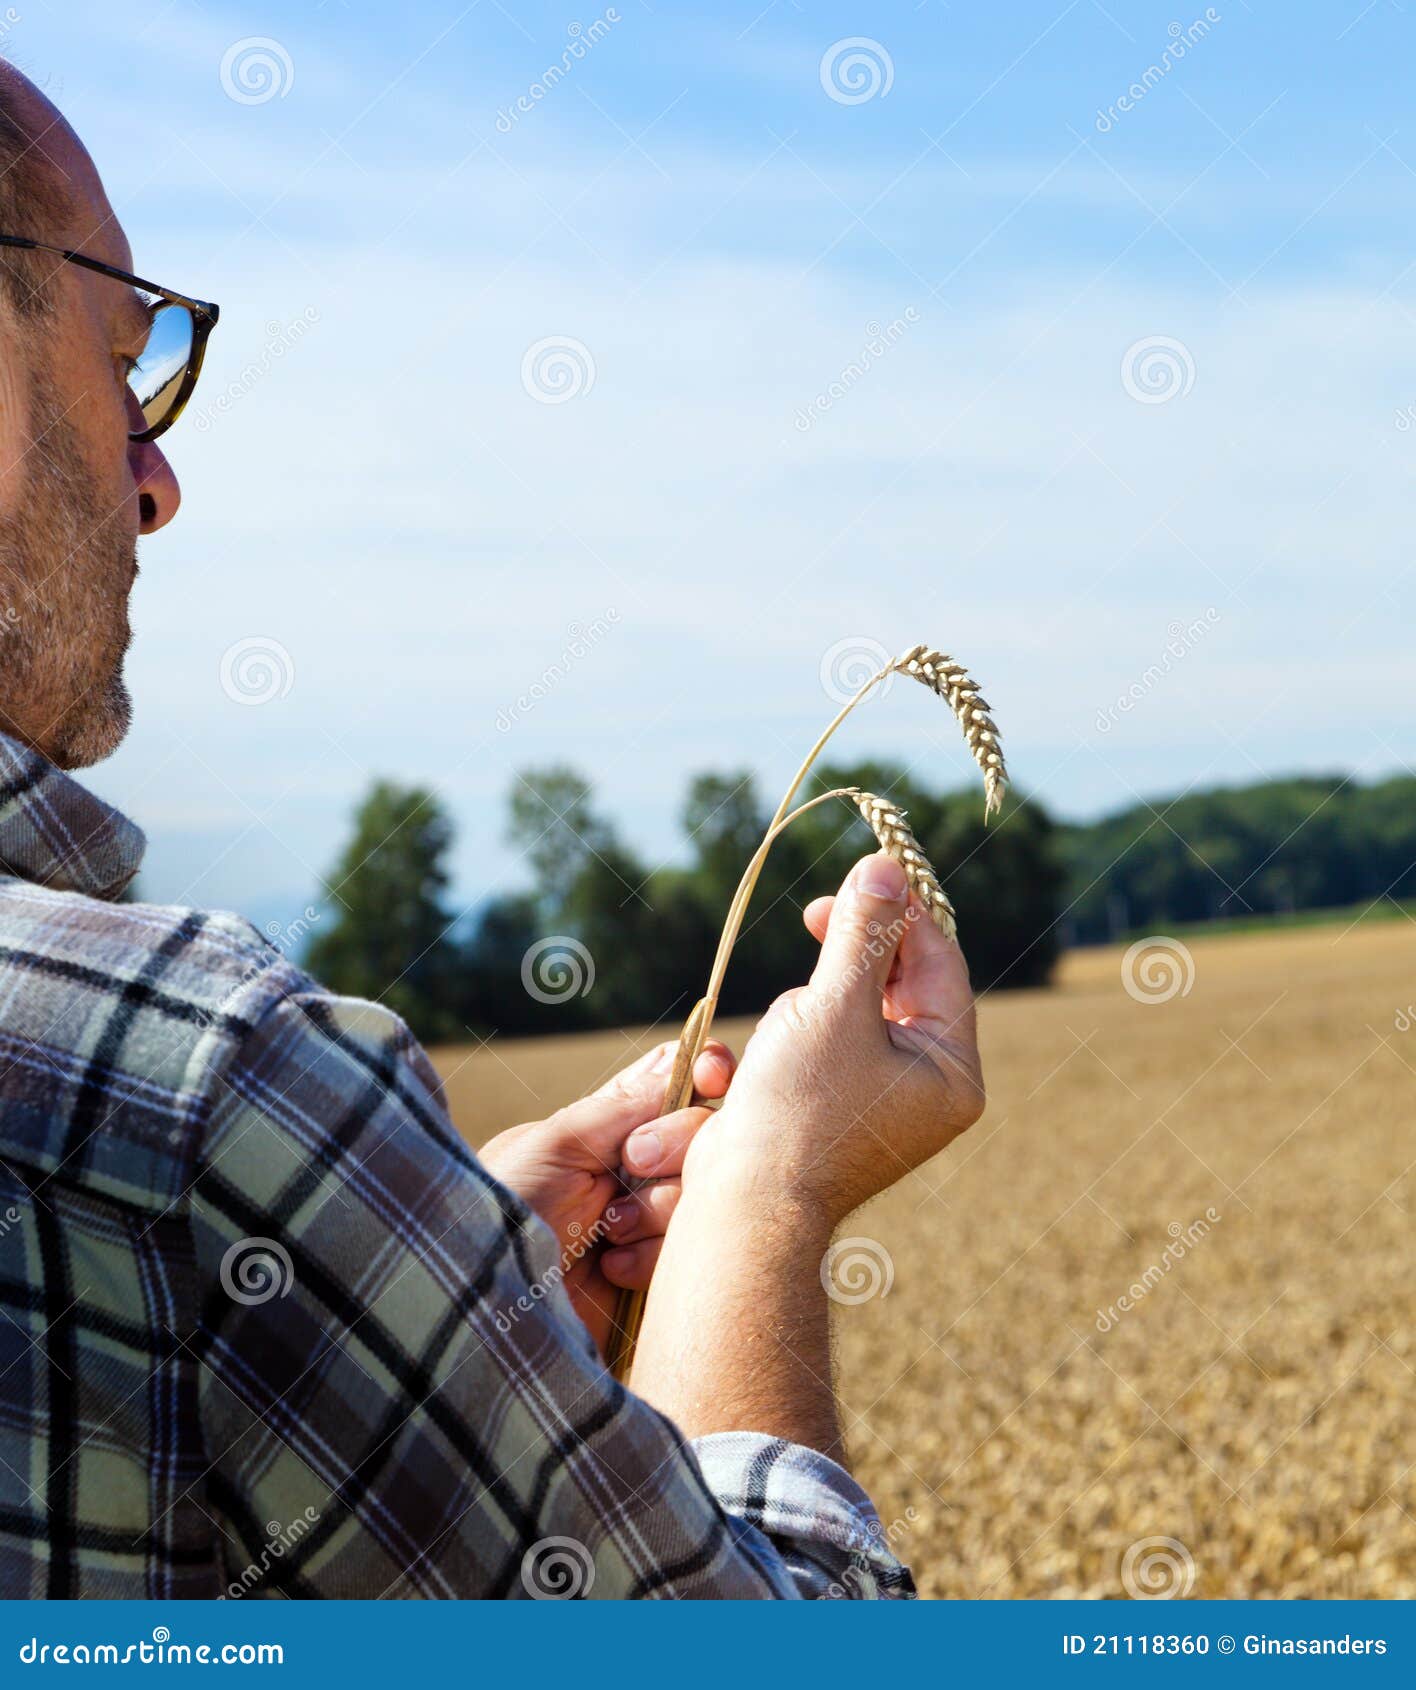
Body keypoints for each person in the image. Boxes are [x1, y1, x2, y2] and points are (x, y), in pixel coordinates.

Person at [0, 62, 985, 1599]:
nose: (158, 473)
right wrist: (767, 1195)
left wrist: (416, 1296)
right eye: (125, 360)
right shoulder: (200, 1082)